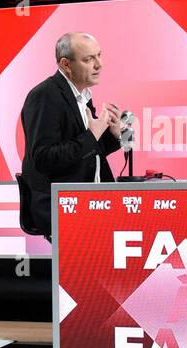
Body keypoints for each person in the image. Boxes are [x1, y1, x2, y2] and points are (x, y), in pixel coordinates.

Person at [19, 31, 124, 236]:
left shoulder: (82, 95)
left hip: (90, 201)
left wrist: (116, 135)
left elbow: (87, 151)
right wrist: (91, 136)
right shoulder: (44, 95)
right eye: (89, 59)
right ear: (66, 65)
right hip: (59, 205)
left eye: (99, 55)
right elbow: (43, 158)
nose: (99, 64)